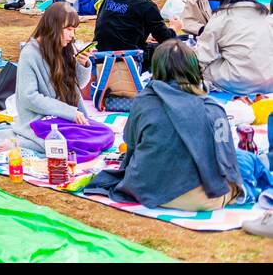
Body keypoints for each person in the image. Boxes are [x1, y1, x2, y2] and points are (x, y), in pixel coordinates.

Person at [87, 40, 245, 211]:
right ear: (193, 69)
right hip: (204, 197)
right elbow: (226, 159)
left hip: (147, 190)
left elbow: (131, 143)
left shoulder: (143, 102)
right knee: (246, 161)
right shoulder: (213, 109)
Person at [11, 2, 93, 153]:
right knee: (78, 144)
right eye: (68, 29)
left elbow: (78, 85)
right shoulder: (30, 54)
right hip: (43, 122)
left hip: (67, 118)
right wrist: (68, 112)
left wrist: (82, 64)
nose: (72, 35)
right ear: (54, 26)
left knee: (104, 135)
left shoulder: (64, 47)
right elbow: (29, 97)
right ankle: (23, 142)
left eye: (74, 30)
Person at [194, 0, 273, 94]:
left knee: (206, 66)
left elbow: (203, 56)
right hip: (270, 81)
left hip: (239, 82)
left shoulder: (220, 18)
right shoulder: (265, 15)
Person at [94, 0, 178, 67]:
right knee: (172, 49)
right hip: (130, 58)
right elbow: (166, 39)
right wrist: (174, 27)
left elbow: (110, 24)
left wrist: (143, 36)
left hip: (102, 54)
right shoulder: (147, 5)